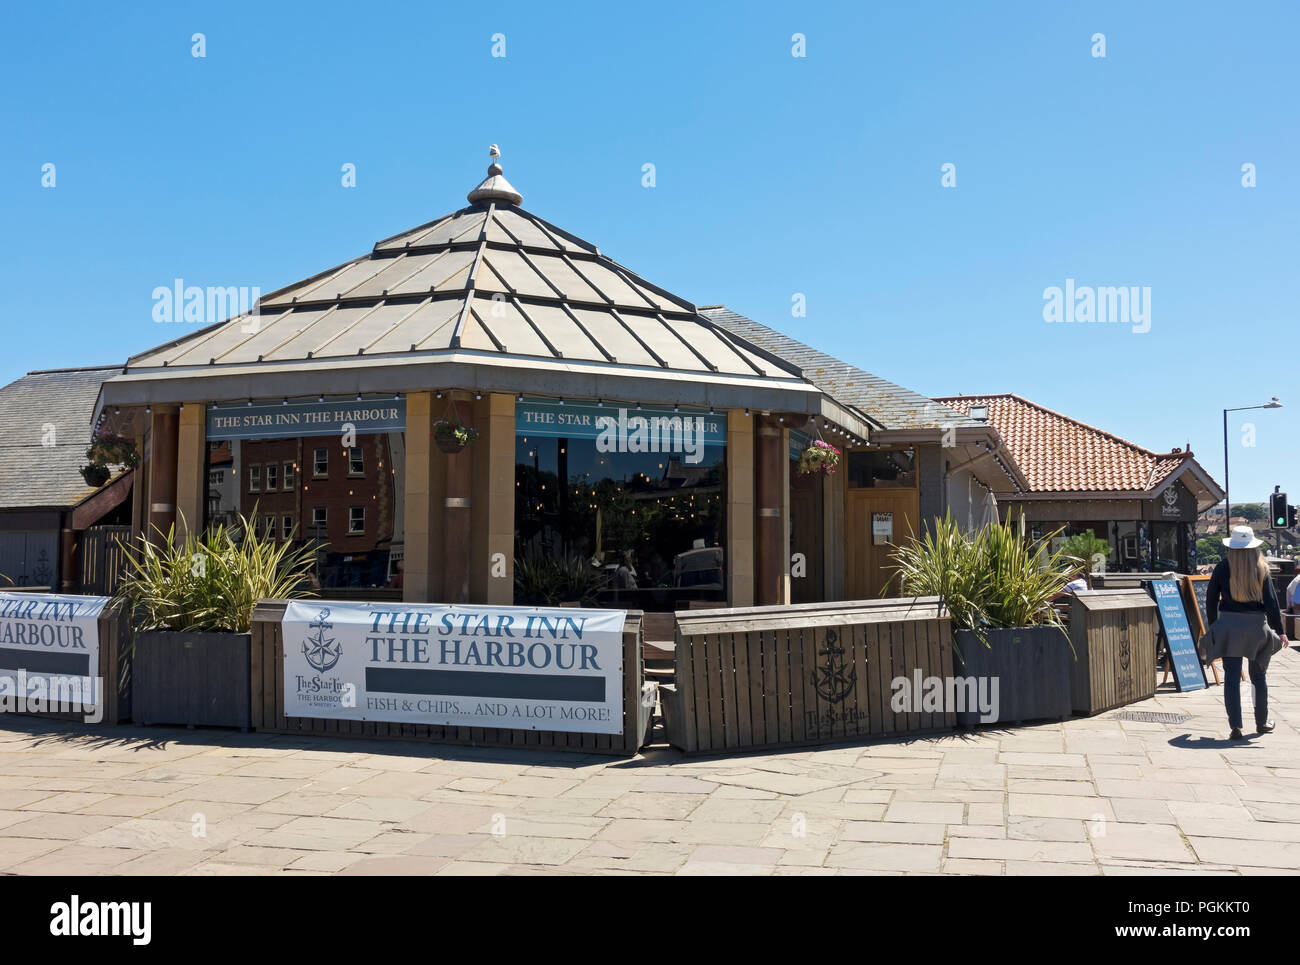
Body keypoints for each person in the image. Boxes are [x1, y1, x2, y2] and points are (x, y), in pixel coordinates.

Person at [1205, 526, 1290, 739]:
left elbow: (1211, 599)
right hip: (1256, 627)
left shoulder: (1222, 567)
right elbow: (1271, 603)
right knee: (1258, 677)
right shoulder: (1262, 568)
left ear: (1231, 547)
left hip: (1229, 627)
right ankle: (1262, 723)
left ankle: (1235, 727)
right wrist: (1280, 630)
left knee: (1232, 678)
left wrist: (1213, 625)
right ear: (1254, 547)